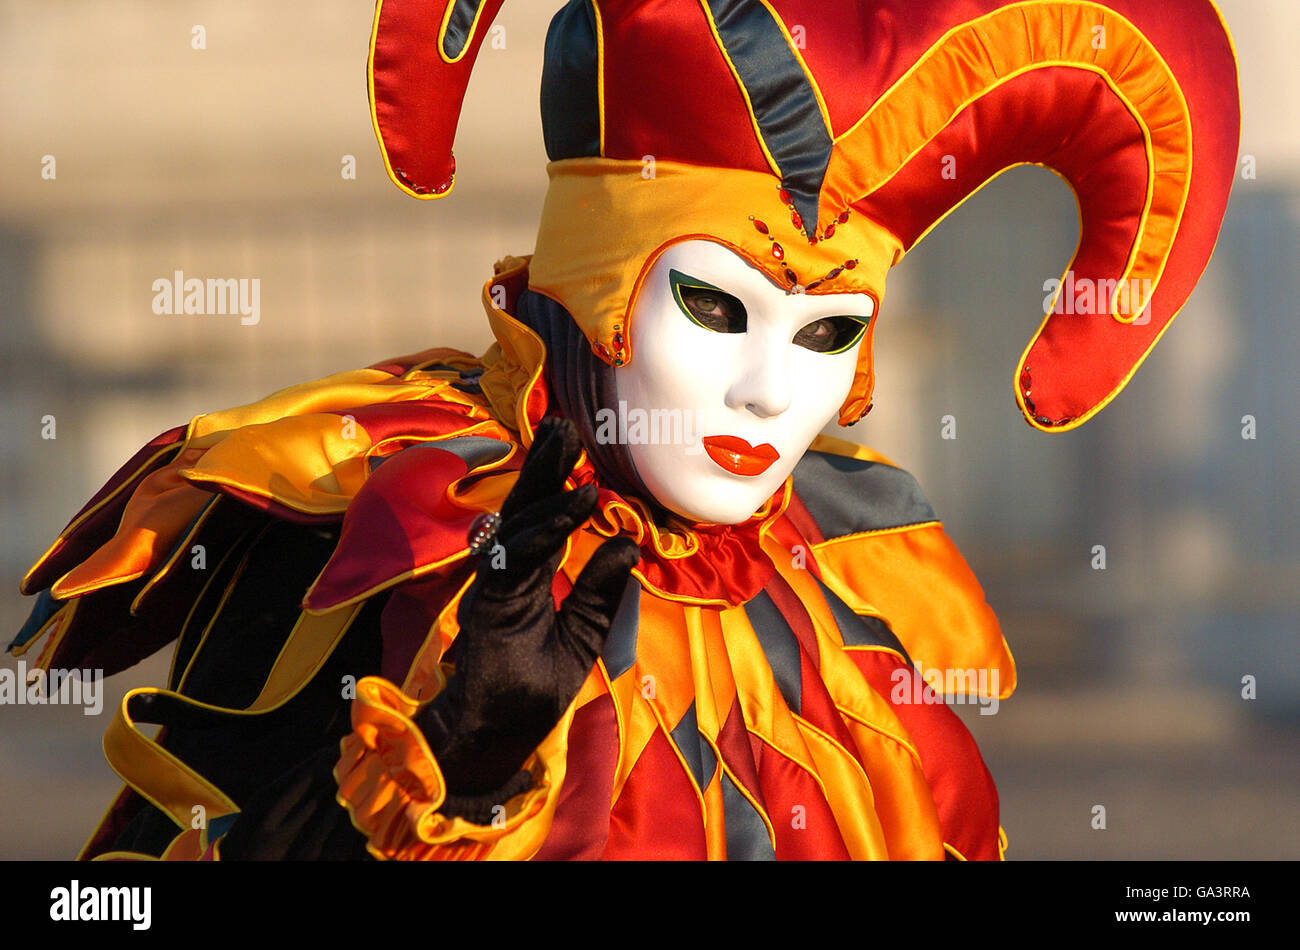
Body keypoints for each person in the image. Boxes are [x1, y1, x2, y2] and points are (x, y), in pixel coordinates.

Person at [10, 0, 1239, 860]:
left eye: (827, 333)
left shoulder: (846, 582)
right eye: (714, 305)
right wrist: (461, 764)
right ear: (595, 290)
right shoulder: (390, 515)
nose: (770, 395)